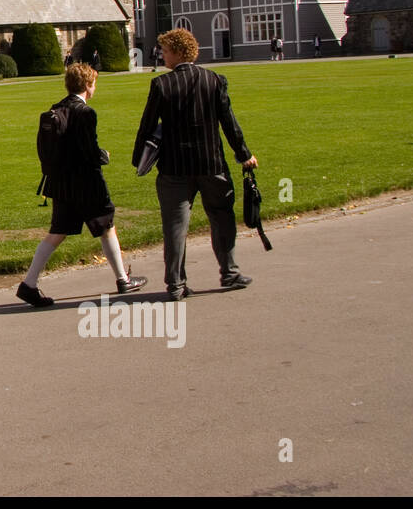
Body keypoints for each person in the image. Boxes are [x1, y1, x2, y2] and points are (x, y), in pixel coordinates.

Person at [131, 29, 257, 301]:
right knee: (222, 219)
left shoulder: (162, 85)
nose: (162, 54)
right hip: (211, 163)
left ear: (178, 52)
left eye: (165, 50)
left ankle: (176, 284)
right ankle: (230, 272)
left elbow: (148, 126)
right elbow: (229, 124)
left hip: (174, 167)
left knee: (175, 228)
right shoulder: (213, 80)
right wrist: (243, 154)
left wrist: (138, 159)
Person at [19, 64, 145, 307]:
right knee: (107, 225)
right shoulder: (85, 113)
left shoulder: (56, 110)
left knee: (57, 233)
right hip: (87, 183)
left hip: (61, 183)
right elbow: (88, 151)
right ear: (88, 85)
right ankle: (122, 279)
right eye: (94, 83)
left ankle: (29, 283)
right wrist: (103, 155)